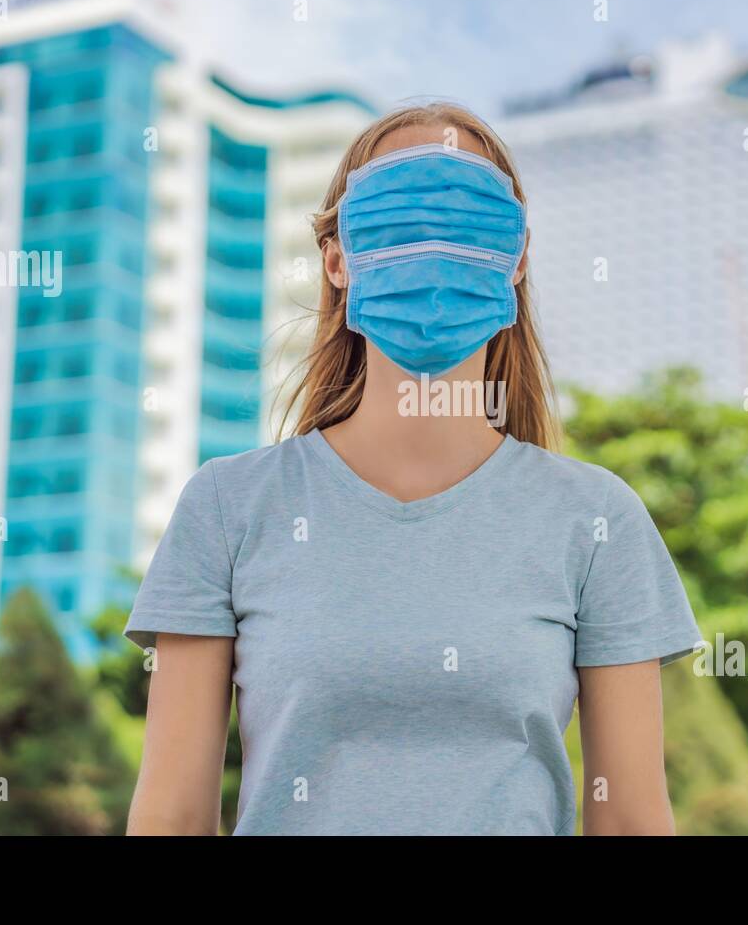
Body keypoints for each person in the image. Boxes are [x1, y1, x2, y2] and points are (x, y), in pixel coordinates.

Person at [124, 102, 702, 835]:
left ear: (517, 255)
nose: (432, 245)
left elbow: (629, 823)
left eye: (463, 217)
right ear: (337, 258)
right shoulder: (226, 506)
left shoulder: (597, 520)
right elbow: (170, 818)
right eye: (401, 216)